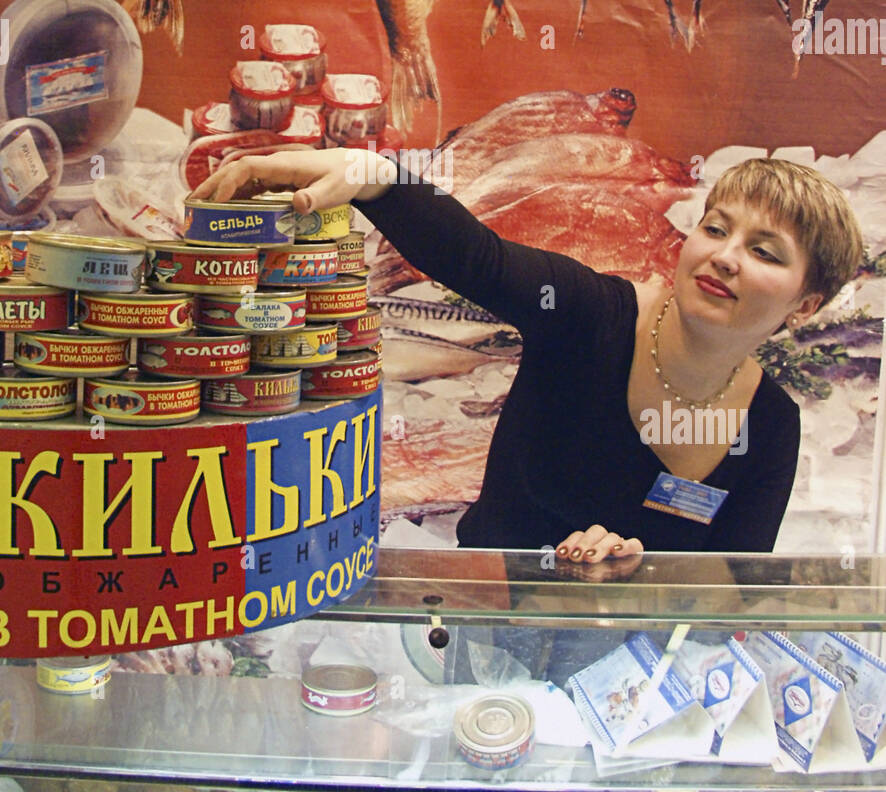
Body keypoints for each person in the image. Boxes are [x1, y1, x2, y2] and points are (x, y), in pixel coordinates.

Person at [193, 146, 863, 561]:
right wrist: (375, 178)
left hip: (625, 680)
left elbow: (731, 588)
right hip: (481, 623)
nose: (724, 255)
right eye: (716, 229)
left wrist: (635, 571)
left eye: (764, 251)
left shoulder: (770, 425)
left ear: (806, 304)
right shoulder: (590, 314)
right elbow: (476, 257)